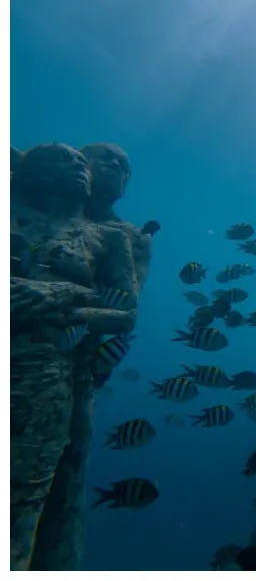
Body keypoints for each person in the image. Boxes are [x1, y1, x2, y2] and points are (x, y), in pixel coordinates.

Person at [10, 142, 152, 570]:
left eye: (125, 167)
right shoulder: (26, 206)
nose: (116, 168)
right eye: (106, 158)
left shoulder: (126, 237)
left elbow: (124, 306)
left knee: (62, 483)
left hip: (78, 365)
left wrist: (64, 301)